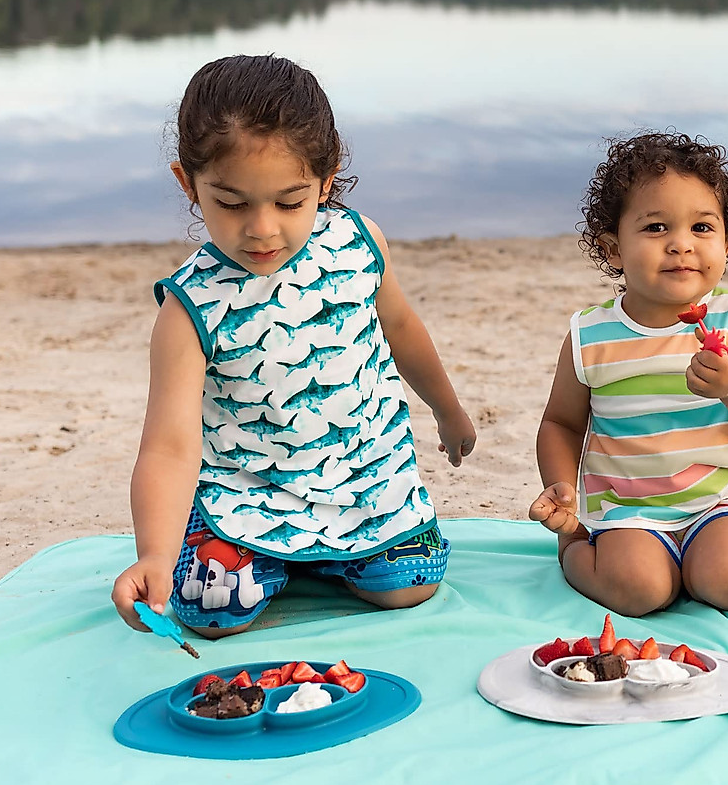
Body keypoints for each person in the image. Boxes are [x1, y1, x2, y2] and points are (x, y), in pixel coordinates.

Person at [112, 54, 476, 638]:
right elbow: (169, 447)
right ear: (189, 184)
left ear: (325, 180)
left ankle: (331, 554)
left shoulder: (359, 242)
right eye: (231, 203)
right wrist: (153, 554)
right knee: (209, 614)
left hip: (364, 477)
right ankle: (256, 552)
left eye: (289, 201)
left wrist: (447, 407)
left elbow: (402, 329)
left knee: (411, 586)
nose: (262, 228)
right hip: (246, 492)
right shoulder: (190, 307)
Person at [529, 130, 728, 616]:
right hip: (632, 506)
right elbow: (561, 424)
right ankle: (574, 547)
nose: (681, 245)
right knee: (638, 592)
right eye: (656, 228)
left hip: (723, 497)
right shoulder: (591, 336)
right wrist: (560, 486)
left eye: (701, 228)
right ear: (613, 249)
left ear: (726, 242)